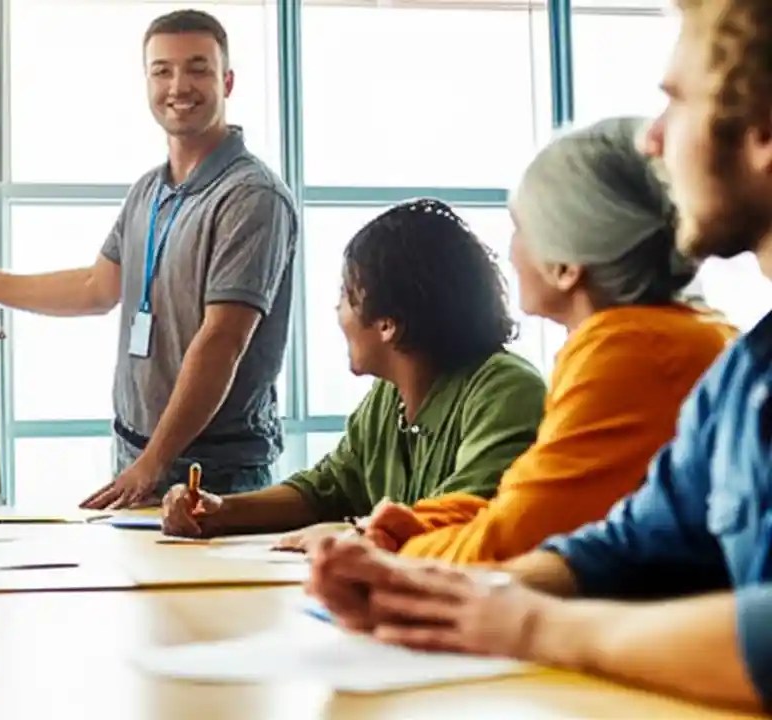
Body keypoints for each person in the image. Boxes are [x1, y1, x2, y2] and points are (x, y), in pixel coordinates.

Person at [305, 1, 772, 710]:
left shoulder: (637, 348)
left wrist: (529, 622)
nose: (650, 141)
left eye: (675, 101)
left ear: (764, 130)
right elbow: (624, 545)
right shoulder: (742, 375)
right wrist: (435, 593)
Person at [0, 9, 299, 509]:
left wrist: (153, 463)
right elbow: (96, 287)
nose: (179, 85)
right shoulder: (149, 192)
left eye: (197, 69)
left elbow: (223, 340)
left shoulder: (251, 196)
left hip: (214, 470)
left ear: (227, 81)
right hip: (136, 454)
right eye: (162, 70)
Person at [359, 116, 737, 563]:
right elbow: (538, 498)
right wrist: (422, 522)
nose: (512, 250)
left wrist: (395, 552)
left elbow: (516, 540)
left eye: (523, 229)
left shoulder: (627, 350)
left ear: (566, 267)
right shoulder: (663, 332)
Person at [163, 198, 547, 542]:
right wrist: (217, 510)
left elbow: (464, 520)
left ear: (387, 324)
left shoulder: (507, 391)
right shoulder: (388, 397)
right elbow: (324, 489)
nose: (337, 312)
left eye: (346, 296)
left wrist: (347, 534)